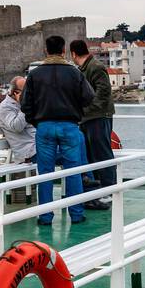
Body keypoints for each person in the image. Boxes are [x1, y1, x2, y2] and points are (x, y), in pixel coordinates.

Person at [21, 34, 95, 226]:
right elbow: (89, 97)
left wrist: (36, 121)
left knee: (45, 173)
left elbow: (25, 104)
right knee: (73, 171)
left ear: (46, 50)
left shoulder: (35, 74)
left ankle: (45, 216)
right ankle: (76, 214)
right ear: (64, 51)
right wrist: (76, 111)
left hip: (44, 127)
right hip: (69, 126)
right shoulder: (75, 72)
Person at [70, 39, 114, 209]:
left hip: (99, 117)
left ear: (74, 53)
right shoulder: (85, 68)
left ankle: (108, 193)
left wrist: (85, 111)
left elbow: (103, 93)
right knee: (91, 157)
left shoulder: (95, 67)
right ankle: (97, 194)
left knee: (101, 155)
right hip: (90, 118)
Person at [0, 75, 35, 163]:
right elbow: (17, 127)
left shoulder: (28, 103)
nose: (30, 93)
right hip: (28, 152)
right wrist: (24, 105)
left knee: (69, 150)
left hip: (40, 146)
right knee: (68, 156)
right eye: (26, 91)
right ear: (15, 93)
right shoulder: (5, 107)